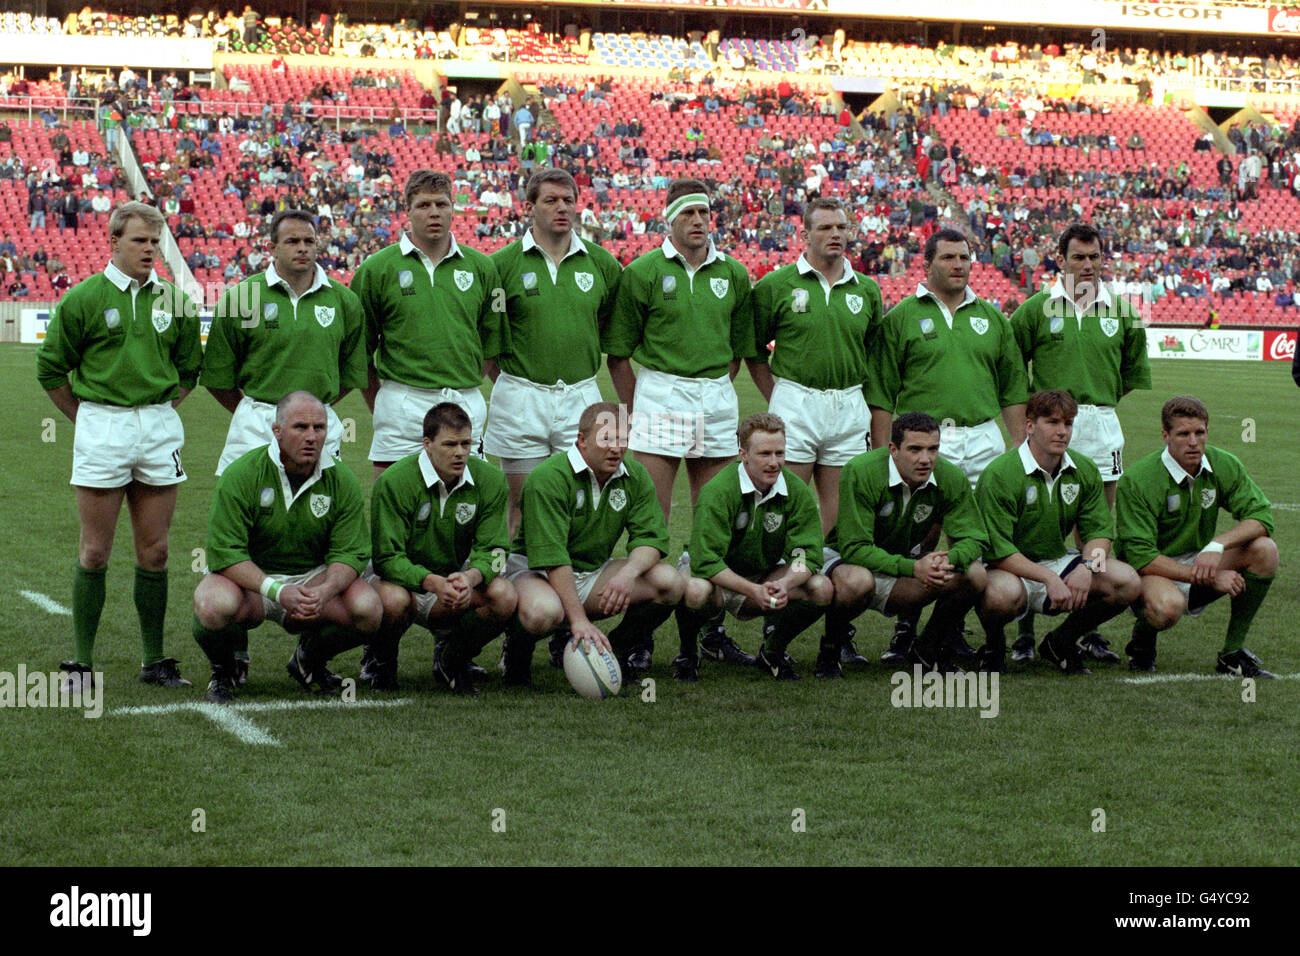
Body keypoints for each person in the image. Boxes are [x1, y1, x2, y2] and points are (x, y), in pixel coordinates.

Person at [35, 201, 203, 693]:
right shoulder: (84, 298)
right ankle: (80, 664)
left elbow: (189, 368)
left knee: (156, 552)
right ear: (114, 242)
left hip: (157, 426)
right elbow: (50, 369)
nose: (150, 248)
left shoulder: (176, 302)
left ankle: (154, 660)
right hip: (101, 425)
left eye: (155, 241)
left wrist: (158, 410)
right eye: (139, 240)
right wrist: (87, 418)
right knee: (94, 552)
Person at [602, 178, 755, 671]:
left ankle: (708, 633)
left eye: (704, 214)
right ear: (669, 219)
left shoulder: (733, 272)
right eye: (688, 213)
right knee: (653, 521)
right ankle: (641, 633)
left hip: (715, 395)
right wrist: (639, 409)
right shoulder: (643, 271)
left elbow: (737, 351)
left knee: (715, 521)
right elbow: (619, 354)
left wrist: (710, 387)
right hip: (661, 393)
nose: (697, 222)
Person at [864, 227, 1027, 663]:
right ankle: (906, 628)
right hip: (926, 441)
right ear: (927, 263)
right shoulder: (900, 318)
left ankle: (952, 631)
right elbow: (880, 394)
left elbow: (1012, 389)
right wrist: (885, 455)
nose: (958, 265)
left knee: (977, 538)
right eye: (949, 257)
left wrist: (1018, 449)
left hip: (983, 436)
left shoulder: (992, 318)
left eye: (965, 257)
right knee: (925, 534)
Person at [749, 197, 882, 666]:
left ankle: (836, 630)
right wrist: (780, 396)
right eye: (825, 227)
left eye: (842, 227)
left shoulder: (866, 289)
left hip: (848, 404)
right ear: (804, 233)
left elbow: (871, 350)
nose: (836, 234)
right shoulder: (776, 285)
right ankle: (770, 605)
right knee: (784, 511)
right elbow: (753, 350)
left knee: (840, 524)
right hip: (796, 401)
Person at [1009, 222, 1150, 665]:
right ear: (1061, 260)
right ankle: (1025, 629)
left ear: (1102, 259)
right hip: (1051, 426)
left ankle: (1083, 632)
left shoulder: (1124, 314)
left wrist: (1094, 408)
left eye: (1094, 257)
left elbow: (1128, 376)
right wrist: (1032, 425)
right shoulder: (1035, 309)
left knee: (1096, 527)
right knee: (1035, 523)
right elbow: (1013, 373)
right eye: (1078, 257)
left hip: (1102, 424)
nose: (1087, 265)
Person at [191, 392, 381, 702]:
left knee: (368, 609)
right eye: (300, 427)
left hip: (312, 581)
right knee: (213, 604)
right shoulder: (241, 474)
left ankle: (308, 660)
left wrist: (325, 591)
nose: (311, 437)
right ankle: (224, 669)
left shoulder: (342, 480)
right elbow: (225, 552)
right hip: (253, 584)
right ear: (276, 431)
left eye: (319, 428)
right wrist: (278, 591)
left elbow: (351, 553)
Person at [499, 402, 684, 686]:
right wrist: (579, 622)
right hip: (537, 575)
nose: (616, 448)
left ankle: (617, 651)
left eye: (622, 440)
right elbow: (553, 557)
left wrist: (627, 574)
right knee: (543, 612)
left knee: (670, 582)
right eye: (606, 438)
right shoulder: (547, 478)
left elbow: (651, 539)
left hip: (592, 572)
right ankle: (517, 653)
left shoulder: (634, 475)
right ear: (581, 441)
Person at [484, 169, 622, 539]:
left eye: (568, 200)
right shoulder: (501, 265)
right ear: (529, 207)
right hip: (520, 396)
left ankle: (573, 582)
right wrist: (518, 381)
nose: (562, 208)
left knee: (579, 500)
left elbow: (607, 331)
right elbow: (489, 345)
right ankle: (517, 581)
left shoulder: (603, 264)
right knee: (520, 502)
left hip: (581, 394)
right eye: (550, 200)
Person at [975, 390, 1141, 674]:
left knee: (1127, 582)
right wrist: (1049, 578)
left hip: (1057, 560)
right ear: (1030, 426)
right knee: (999, 596)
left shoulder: (1084, 468)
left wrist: (1088, 567)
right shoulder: (1000, 474)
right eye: (1052, 422)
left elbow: (1100, 532)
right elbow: (996, 550)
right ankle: (993, 645)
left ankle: (1061, 642)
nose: (1062, 431)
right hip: (1007, 567)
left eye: (1068, 423)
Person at [351, 170, 504, 477]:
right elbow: (360, 352)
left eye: (442, 204)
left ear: (453, 208)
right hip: (402, 402)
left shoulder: (482, 267)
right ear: (407, 209)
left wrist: (466, 381)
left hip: (464, 401)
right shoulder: (375, 269)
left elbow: (491, 341)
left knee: (463, 511)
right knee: (394, 508)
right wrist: (382, 400)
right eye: (423, 205)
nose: (434, 212)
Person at [1114, 396, 1277, 677]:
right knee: (1168, 608)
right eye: (1183, 434)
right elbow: (1140, 556)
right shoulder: (1138, 479)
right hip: (1151, 568)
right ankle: (1142, 641)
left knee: (1265, 550)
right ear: (1165, 436)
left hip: (1198, 556)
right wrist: (1208, 576)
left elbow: (1262, 516)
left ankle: (1231, 653)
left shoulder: (1223, 464)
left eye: (1199, 432)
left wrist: (1217, 545)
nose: (1193, 442)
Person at [363, 403, 514, 695]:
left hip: (454, 582)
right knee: (392, 600)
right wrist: (432, 582)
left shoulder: (491, 481)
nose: (459, 452)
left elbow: (496, 553)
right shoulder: (394, 482)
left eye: (466, 443)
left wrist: (470, 578)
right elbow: (386, 558)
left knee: (504, 596)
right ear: (427, 444)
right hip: (403, 584)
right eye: (449, 444)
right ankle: (382, 660)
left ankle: (451, 658)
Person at [823, 412, 990, 673]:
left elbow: (975, 538)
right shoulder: (861, 471)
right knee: (857, 581)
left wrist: (948, 560)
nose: (926, 459)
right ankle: (831, 648)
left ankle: (927, 649)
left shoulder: (951, 477)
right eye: (915, 449)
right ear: (893, 449)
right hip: (849, 563)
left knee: (975, 574)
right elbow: (854, 548)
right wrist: (914, 568)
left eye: (933, 449)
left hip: (904, 568)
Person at [203, 209, 367, 474]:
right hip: (255, 425)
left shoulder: (345, 301)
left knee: (316, 509)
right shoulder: (242, 297)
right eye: (292, 241)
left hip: (317, 425)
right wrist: (252, 412)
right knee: (245, 508)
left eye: (309, 241)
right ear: (272, 248)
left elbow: (351, 373)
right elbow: (217, 376)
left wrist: (309, 412)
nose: (302, 248)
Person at [674, 413, 831, 682]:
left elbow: (806, 552)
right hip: (716, 578)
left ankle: (773, 651)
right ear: (743, 454)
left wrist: (787, 582)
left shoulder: (795, 490)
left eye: (779, 453)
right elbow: (705, 560)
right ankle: (688, 653)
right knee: (695, 589)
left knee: (820, 588)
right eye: (764, 454)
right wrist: (752, 590)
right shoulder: (719, 490)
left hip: (762, 575)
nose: (774, 463)